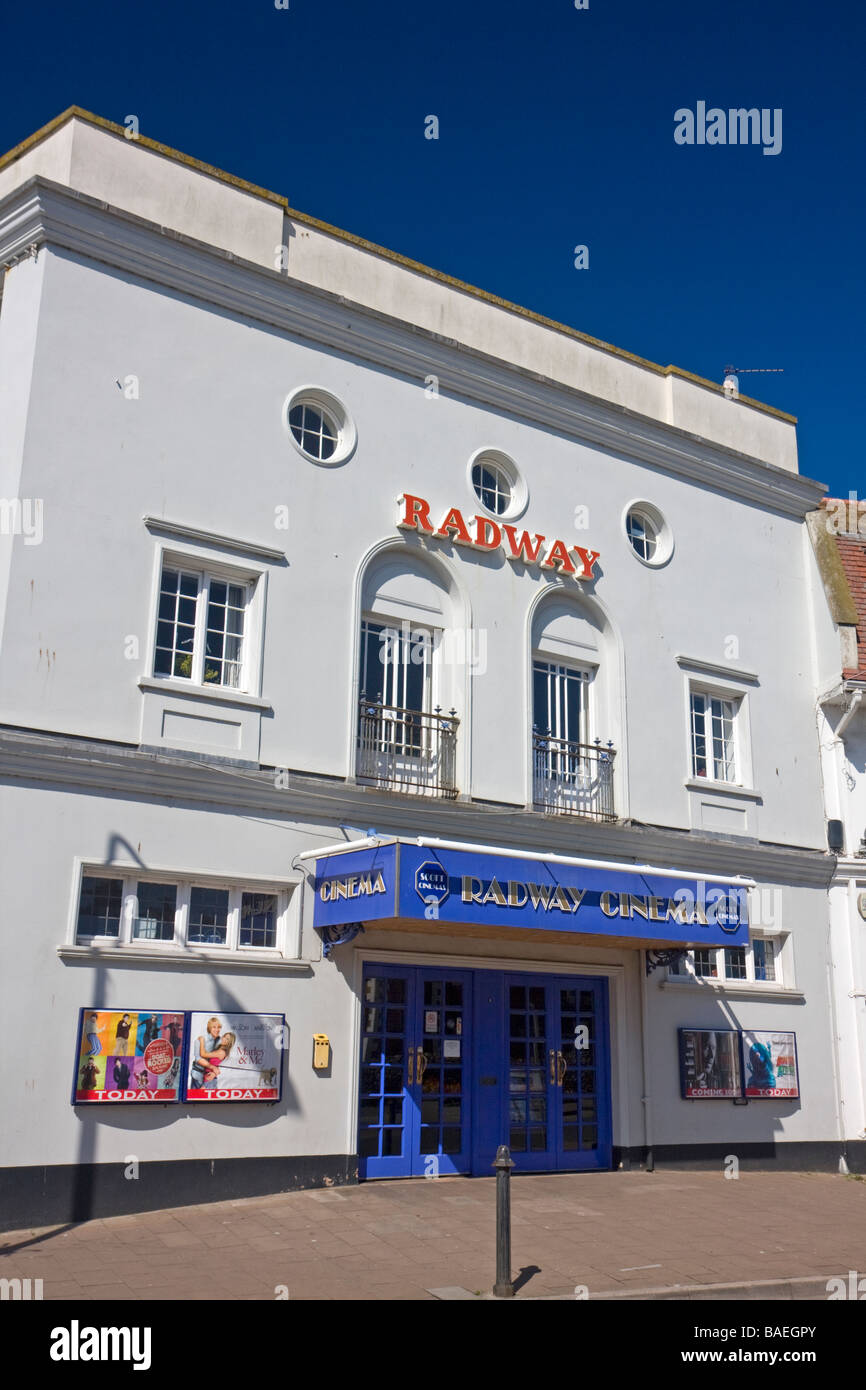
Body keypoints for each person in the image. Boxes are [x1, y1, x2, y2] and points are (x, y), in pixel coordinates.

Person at [189, 1016, 223, 1090]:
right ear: (209, 1028)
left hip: (211, 1077)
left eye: (219, 1027)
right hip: (198, 1075)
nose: (217, 1029)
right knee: (195, 1098)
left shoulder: (221, 1041)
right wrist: (213, 1067)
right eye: (214, 1027)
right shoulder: (200, 1039)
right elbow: (198, 1058)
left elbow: (221, 1060)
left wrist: (214, 1073)